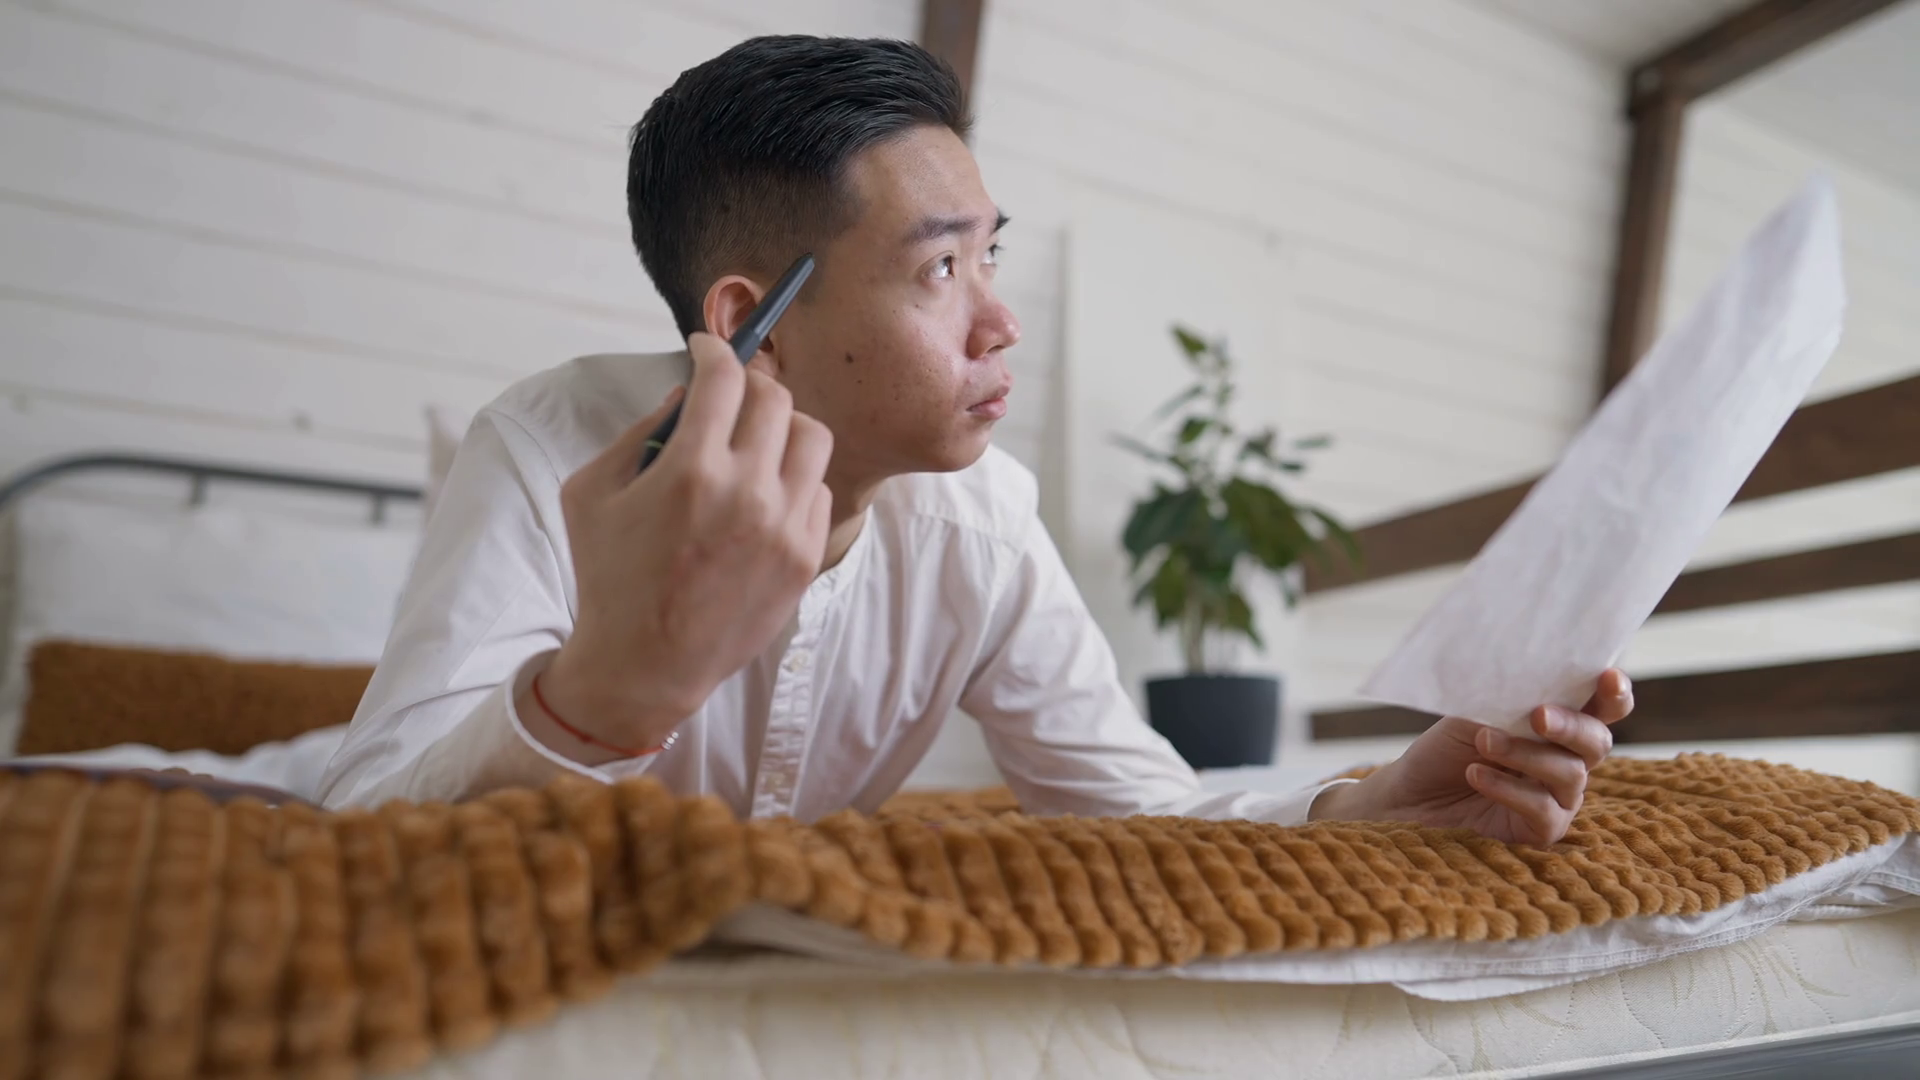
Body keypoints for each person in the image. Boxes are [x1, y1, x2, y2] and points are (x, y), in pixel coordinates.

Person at [316, 35, 1633, 847]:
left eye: (988, 257)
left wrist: (1381, 797)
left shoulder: (983, 522)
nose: (1002, 324)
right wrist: (603, 696)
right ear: (751, 326)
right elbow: (361, 829)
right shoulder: (544, 450)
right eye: (941, 270)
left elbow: (1141, 808)